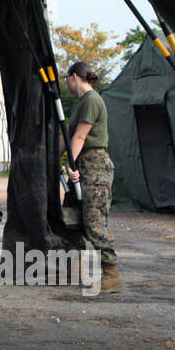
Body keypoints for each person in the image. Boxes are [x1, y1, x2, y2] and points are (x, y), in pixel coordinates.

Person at [63, 61, 121, 293]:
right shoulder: (80, 103)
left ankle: (111, 272)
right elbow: (67, 137)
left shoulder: (91, 101)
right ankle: (75, 265)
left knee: (94, 220)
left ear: (74, 76)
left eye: (66, 77)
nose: (65, 82)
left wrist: (69, 164)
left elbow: (80, 137)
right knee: (70, 216)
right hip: (83, 164)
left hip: (94, 166)